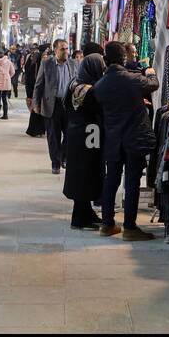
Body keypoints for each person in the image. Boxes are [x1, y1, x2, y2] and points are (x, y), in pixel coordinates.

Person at [92, 40, 158, 240]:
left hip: (113, 139)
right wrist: (151, 72)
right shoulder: (132, 79)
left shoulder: (100, 85)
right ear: (123, 58)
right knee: (131, 183)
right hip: (133, 138)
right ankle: (129, 227)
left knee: (111, 180)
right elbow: (153, 85)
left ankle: (107, 224)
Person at [64, 53, 106, 230]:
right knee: (88, 172)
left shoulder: (73, 83)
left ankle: (86, 212)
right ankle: (79, 218)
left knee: (81, 173)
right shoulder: (92, 90)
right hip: (90, 135)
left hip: (74, 134)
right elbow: (100, 110)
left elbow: (66, 105)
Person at [33, 39, 76, 174]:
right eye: (63, 49)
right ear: (55, 50)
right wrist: (36, 103)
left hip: (69, 105)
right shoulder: (47, 63)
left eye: (67, 49)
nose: (66, 52)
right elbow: (39, 85)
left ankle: (63, 156)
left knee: (70, 134)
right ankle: (55, 163)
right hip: (52, 104)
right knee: (53, 136)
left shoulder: (74, 64)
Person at [24, 43, 46, 137]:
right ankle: (35, 130)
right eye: (46, 53)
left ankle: (38, 130)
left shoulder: (37, 60)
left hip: (39, 90)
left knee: (39, 111)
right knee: (37, 110)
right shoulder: (37, 61)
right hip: (37, 89)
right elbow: (31, 78)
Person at [0, 48, 15, 120]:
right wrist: (8, 76)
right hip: (6, 81)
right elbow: (13, 72)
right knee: (5, 99)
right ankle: (5, 115)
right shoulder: (8, 61)